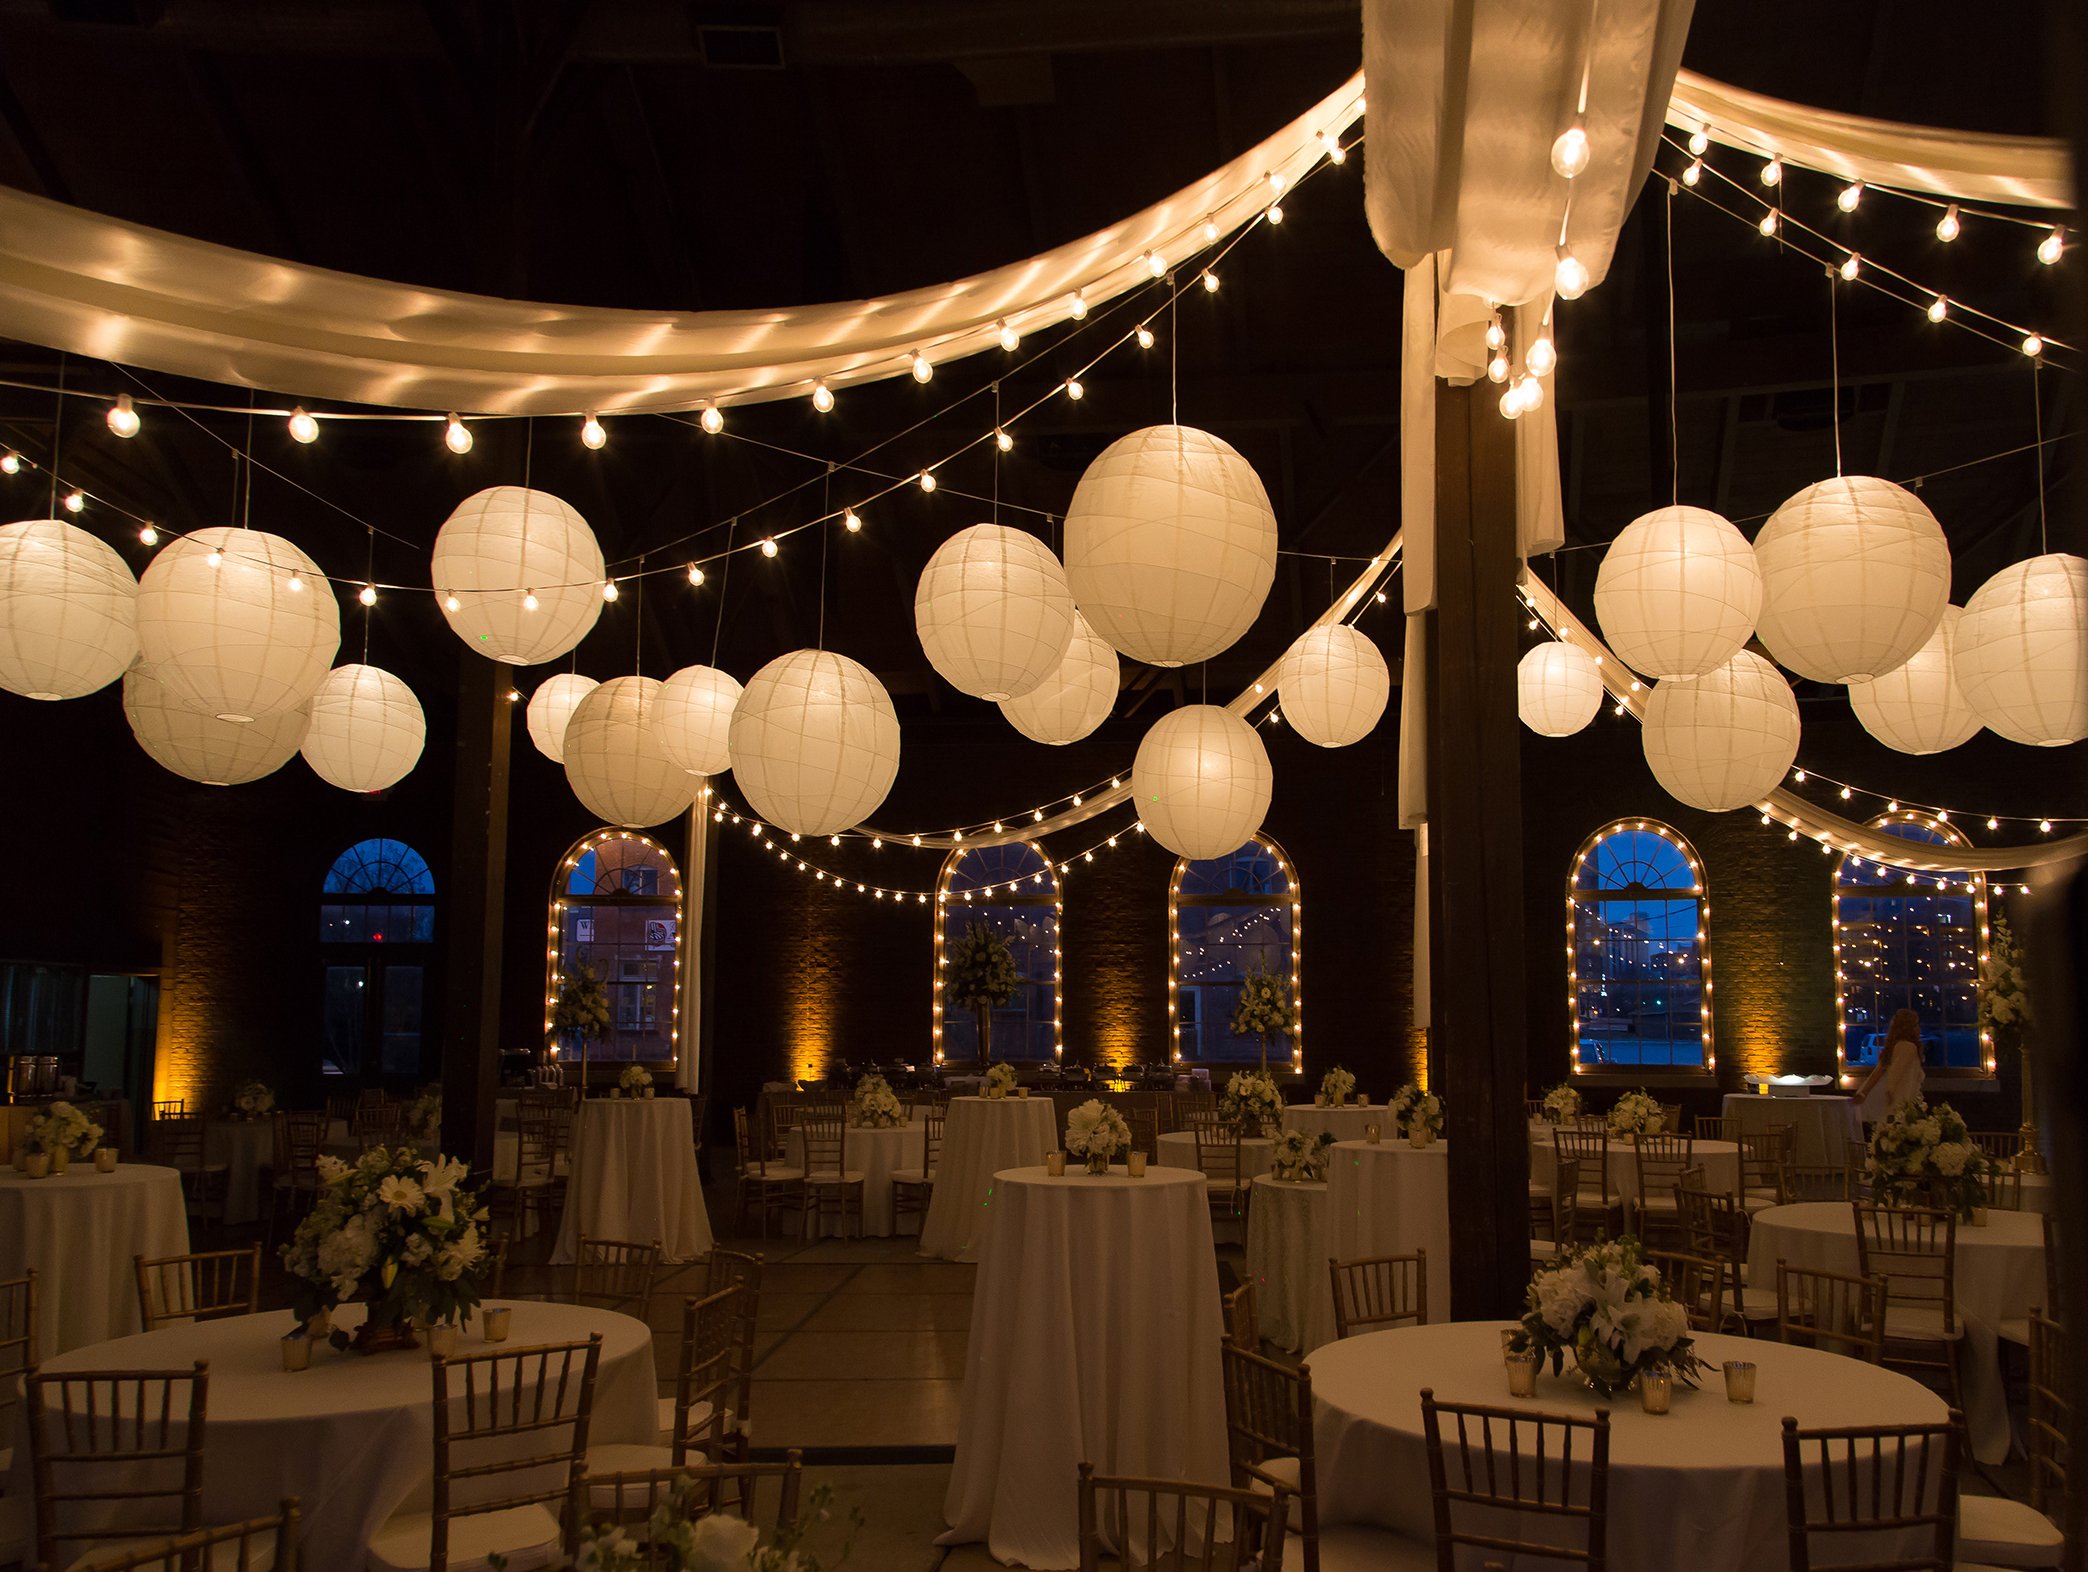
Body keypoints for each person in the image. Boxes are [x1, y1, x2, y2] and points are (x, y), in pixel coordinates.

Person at [1856, 1008, 1927, 1120]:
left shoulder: (1895, 1046)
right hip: (1902, 1099)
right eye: (1915, 1025)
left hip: (1896, 1099)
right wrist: (1890, 1091)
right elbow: (1896, 1072)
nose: (1918, 1028)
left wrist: (1863, 1093)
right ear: (1908, 1028)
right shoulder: (1908, 1047)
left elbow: (1878, 1072)